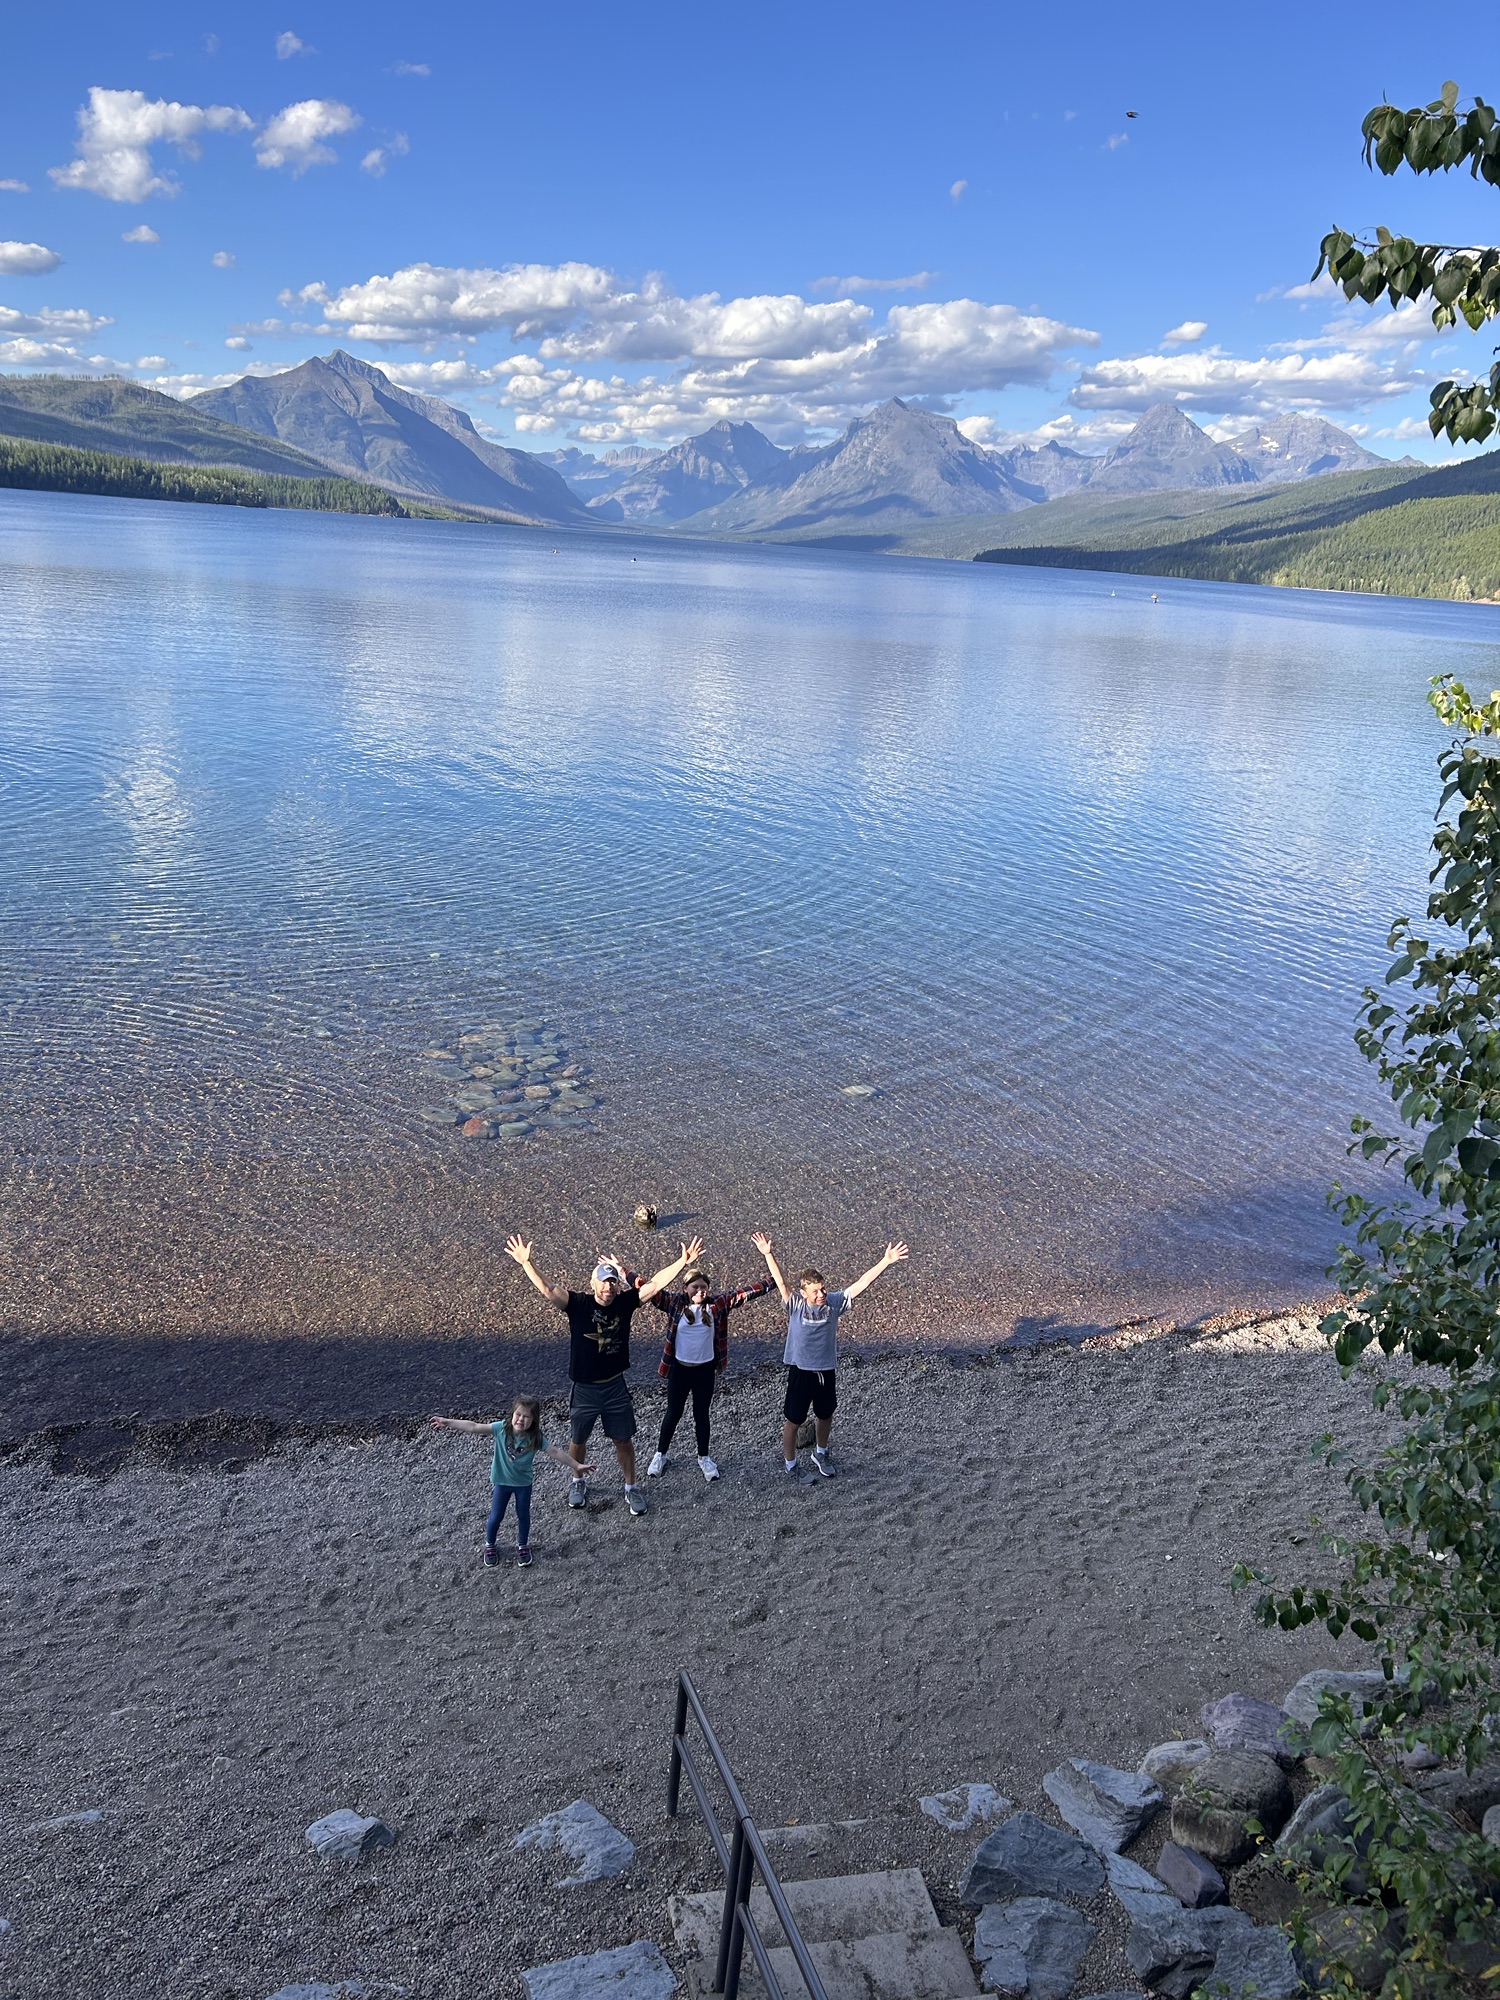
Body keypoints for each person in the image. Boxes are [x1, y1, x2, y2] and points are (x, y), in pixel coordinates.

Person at [504, 1232, 704, 1516]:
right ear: (593, 1283)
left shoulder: (625, 1303)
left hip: (615, 1387)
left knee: (623, 1440)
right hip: (584, 1388)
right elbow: (549, 1289)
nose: (608, 1286)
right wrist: (527, 1263)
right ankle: (578, 1481)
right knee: (578, 1440)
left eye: (612, 1281)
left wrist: (682, 1262)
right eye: (604, 1281)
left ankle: (631, 1487)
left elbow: (656, 1283)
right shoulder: (578, 1305)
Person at [750, 1232, 909, 1478]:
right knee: (794, 1420)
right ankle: (791, 1465)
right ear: (804, 1292)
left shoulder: (833, 1303)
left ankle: (820, 1453)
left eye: (823, 1288)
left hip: (826, 1370)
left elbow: (860, 1284)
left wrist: (886, 1261)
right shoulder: (796, 1305)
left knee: (825, 1414)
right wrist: (768, 1254)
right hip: (801, 1371)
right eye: (815, 1291)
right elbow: (781, 1283)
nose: (821, 1294)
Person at [645, 1264, 772, 1482]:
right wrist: (621, 1272)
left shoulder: (716, 1306)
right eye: (695, 1287)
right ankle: (660, 1455)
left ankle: (704, 1458)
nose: (700, 1291)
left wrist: (775, 1280)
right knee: (673, 1413)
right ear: (685, 1288)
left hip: (704, 1372)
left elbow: (747, 1293)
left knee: (701, 1415)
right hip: (679, 1371)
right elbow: (648, 1289)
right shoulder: (674, 1303)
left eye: (703, 1287)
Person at [431, 1395, 590, 1568]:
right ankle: (490, 1545)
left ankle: (522, 1546)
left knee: (523, 1516)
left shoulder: (535, 1437)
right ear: (512, 1414)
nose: (521, 1419)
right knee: (496, 1516)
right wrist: (447, 1422)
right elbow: (474, 1427)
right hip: (502, 1482)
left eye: (526, 1416)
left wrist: (576, 1465)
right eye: (518, 1414)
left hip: (523, 1485)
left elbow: (555, 1452)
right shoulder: (501, 1429)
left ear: (533, 1420)